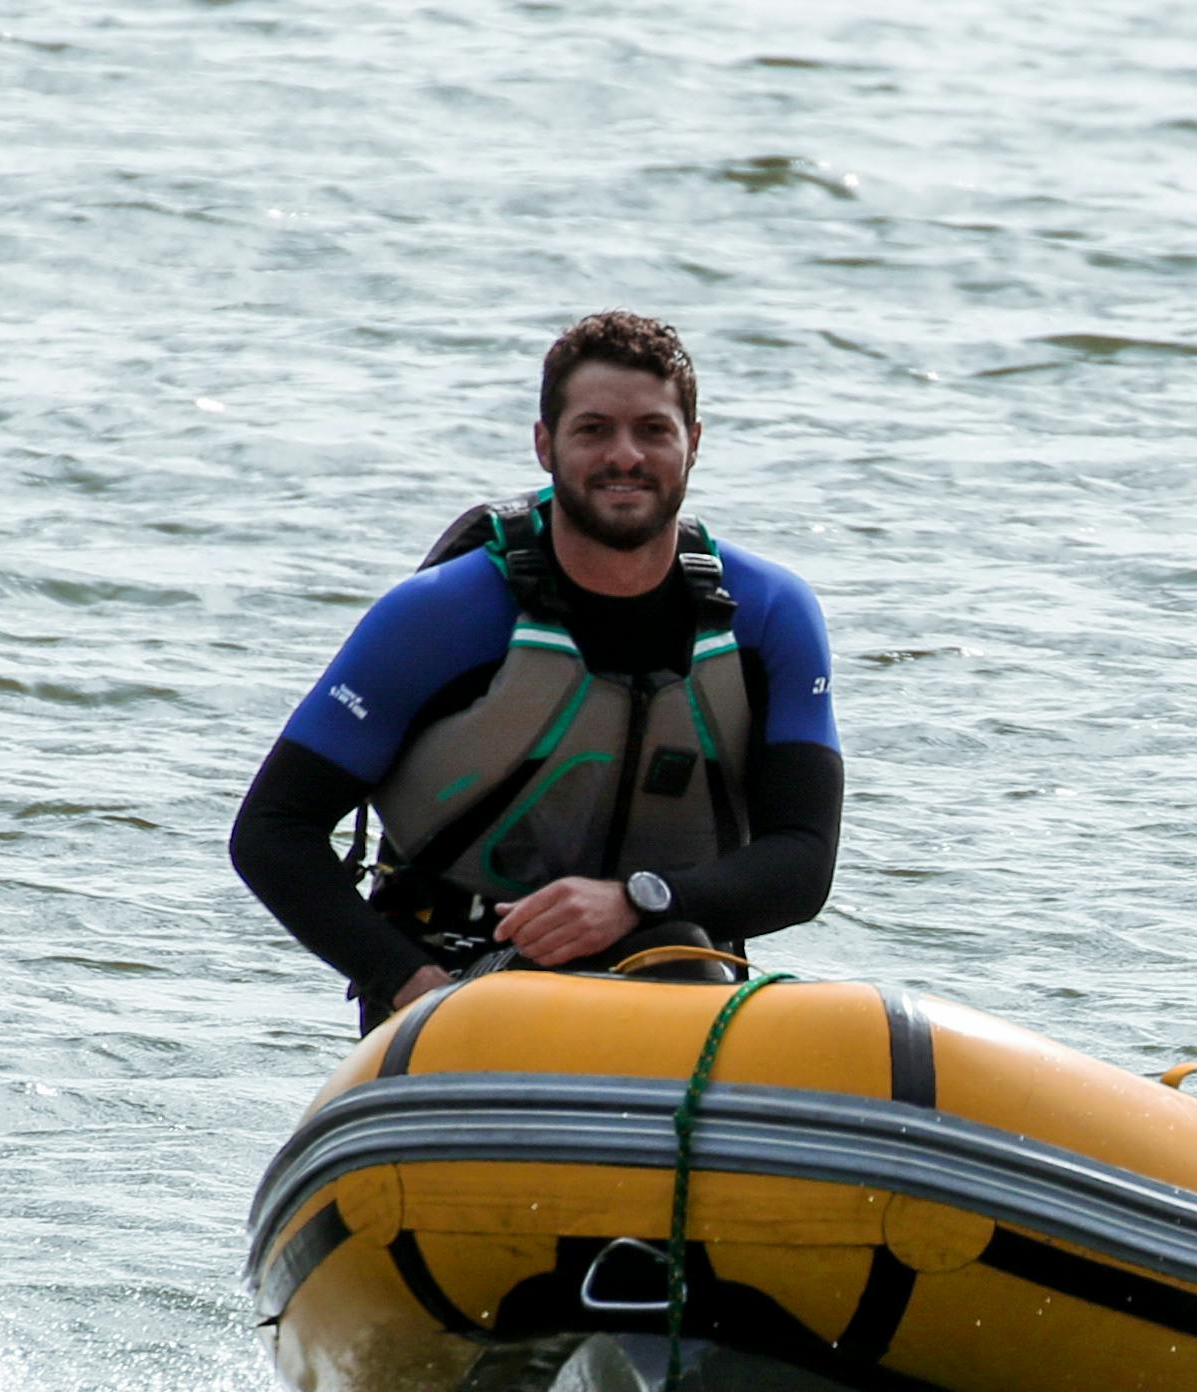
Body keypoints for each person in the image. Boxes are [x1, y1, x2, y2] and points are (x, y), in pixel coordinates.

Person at [228, 311, 845, 1025]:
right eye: (594, 430)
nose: (625, 456)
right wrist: (409, 985)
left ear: (694, 444)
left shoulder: (771, 616)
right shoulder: (439, 616)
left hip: (673, 969)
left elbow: (803, 861)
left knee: (680, 950)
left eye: (653, 430)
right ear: (545, 445)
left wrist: (635, 900)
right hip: (454, 977)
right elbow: (273, 830)